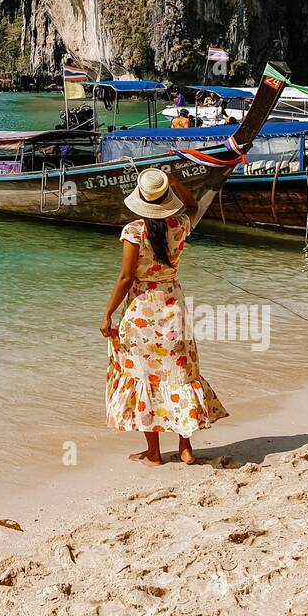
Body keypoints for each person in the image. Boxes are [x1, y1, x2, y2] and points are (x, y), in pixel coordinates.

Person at [100, 167, 228, 466]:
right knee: (179, 375)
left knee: (144, 378)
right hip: (173, 306)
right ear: (166, 197)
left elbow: (126, 277)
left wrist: (107, 314)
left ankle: (154, 452)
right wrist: (175, 182)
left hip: (142, 310)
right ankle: (185, 448)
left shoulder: (134, 231)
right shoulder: (180, 224)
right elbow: (194, 205)